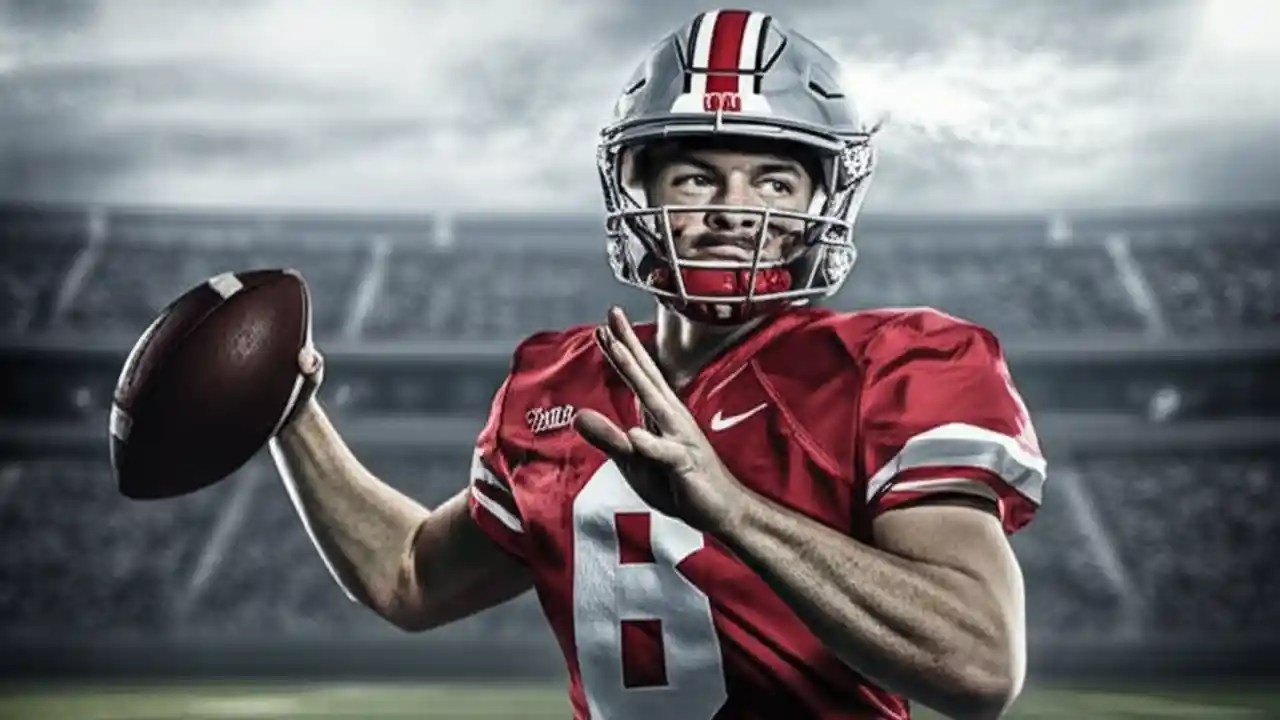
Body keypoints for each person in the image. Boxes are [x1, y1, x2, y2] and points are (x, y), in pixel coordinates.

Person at [269, 9, 1046, 719]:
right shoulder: (555, 387)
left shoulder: (893, 365)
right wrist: (291, 416)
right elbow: (410, 577)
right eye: (696, 176)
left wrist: (733, 512)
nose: (734, 208)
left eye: (775, 180)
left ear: (820, 208)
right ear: (635, 187)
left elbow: (977, 665)